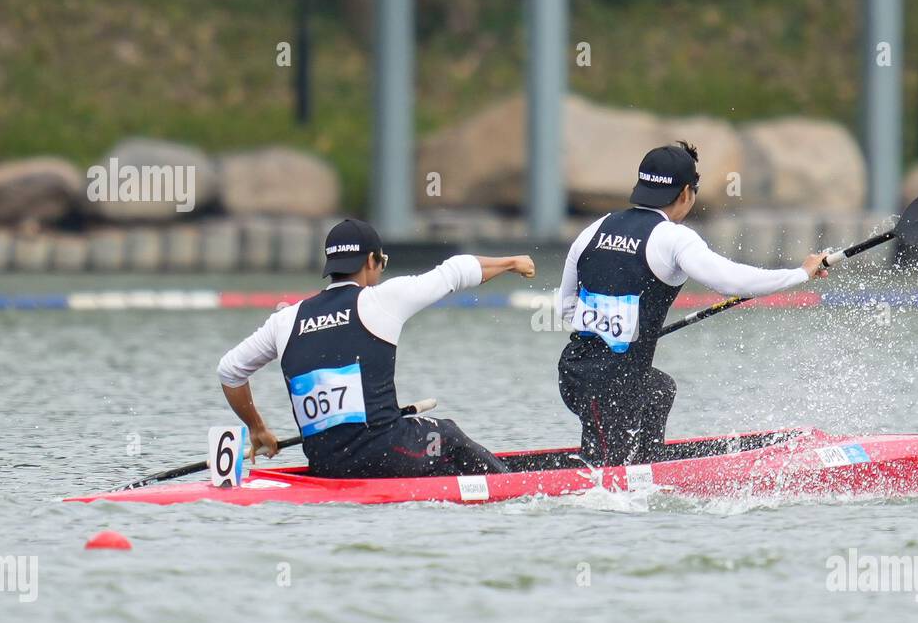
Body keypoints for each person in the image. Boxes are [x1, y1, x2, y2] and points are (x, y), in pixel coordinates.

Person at [556, 140, 833, 466]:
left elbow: (566, 308)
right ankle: (626, 472)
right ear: (687, 193)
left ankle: (647, 465)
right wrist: (799, 274)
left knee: (658, 389)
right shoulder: (673, 238)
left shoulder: (594, 228)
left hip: (574, 372)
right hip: (612, 388)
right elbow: (730, 281)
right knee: (602, 486)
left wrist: (619, 334)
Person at [217, 218, 535, 478]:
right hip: (384, 455)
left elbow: (230, 371)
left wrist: (257, 428)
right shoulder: (381, 299)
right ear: (371, 260)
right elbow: (454, 272)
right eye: (381, 262)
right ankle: (512, 485)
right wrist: (511, 263)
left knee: (431, 449)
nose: (380, 270)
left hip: (325, 466)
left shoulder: (285, 319)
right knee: (447, 436)